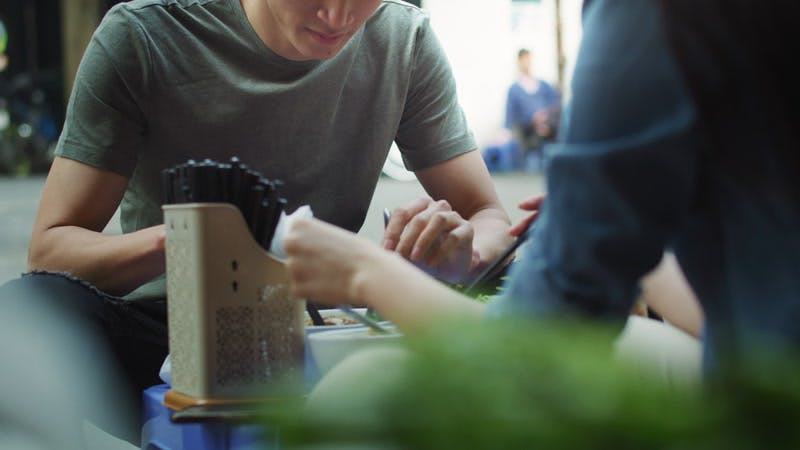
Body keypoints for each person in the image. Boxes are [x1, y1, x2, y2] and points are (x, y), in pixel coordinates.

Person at [0, 0, 513, 443]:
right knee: (24, 315)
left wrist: (460, 248)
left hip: (332, 329)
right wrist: (201, 238)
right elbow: (52, 251)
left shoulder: (403, 38)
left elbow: (488, 216)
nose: (338, 17)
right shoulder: (144, 36)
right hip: (171, 329)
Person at [283, 0, 800, 372]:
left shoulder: (651, 18)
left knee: (360, 383)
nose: (338, 14)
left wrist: (364, 272)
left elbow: (543, 332)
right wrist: (630, 254)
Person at [503, 48, 561, 170]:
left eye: (528, 60)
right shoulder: (514, 89)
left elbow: (556, 102)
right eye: (524, 60)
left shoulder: (543, 85)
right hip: (528, 130)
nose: (527, 63)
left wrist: (544, 116)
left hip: (548, 125)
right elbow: (510, 116)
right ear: (519, 62)